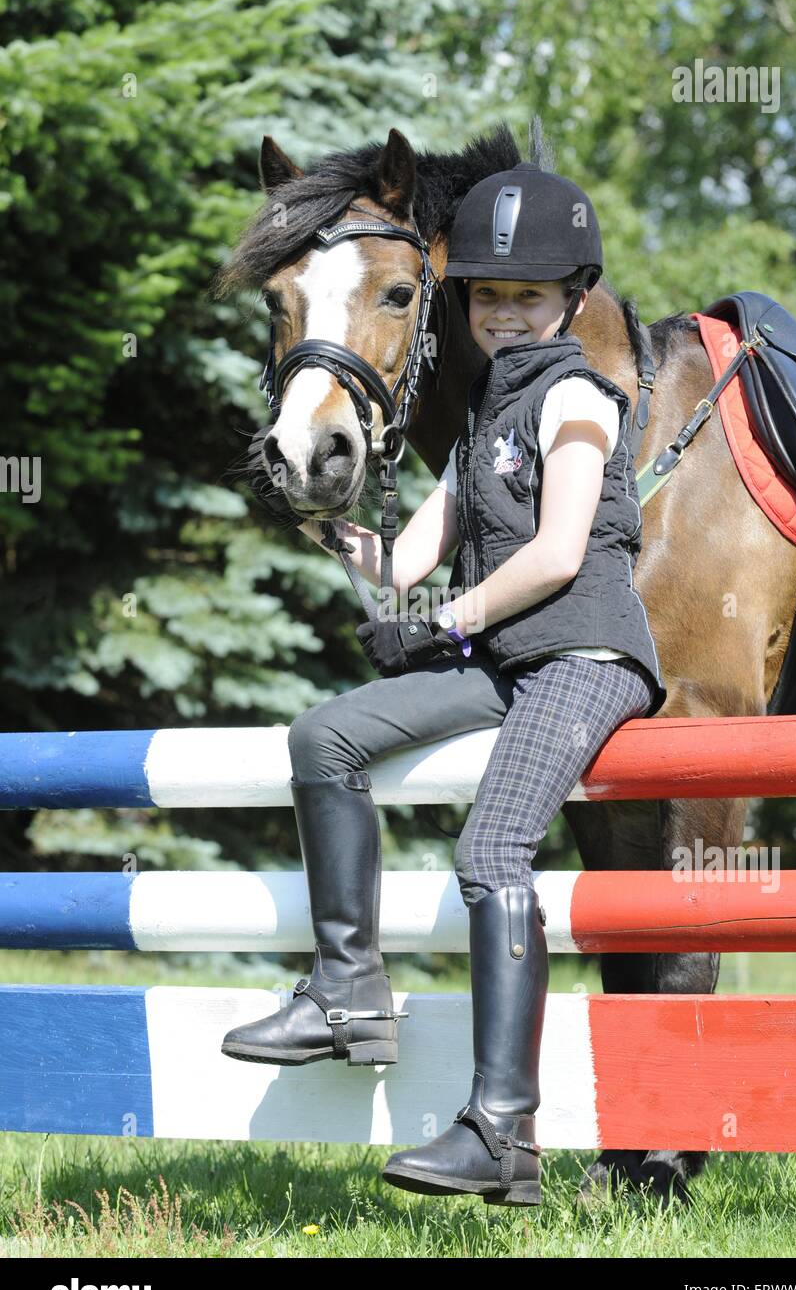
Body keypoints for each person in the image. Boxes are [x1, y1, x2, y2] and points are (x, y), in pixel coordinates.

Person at [221, 161, 667, 1208]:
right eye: (486, 297)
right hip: (507, 664)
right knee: (321, 739)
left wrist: (442, 629)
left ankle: (502, 1133)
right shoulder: (473, 435)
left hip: (583, 657)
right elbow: (398, 563)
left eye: (527, 297)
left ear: (569, 299)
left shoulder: (576, 399)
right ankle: (344, 991)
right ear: (459, 304)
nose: (505, 316)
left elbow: (558, 554)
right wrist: (316, 505)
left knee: (490, 844)